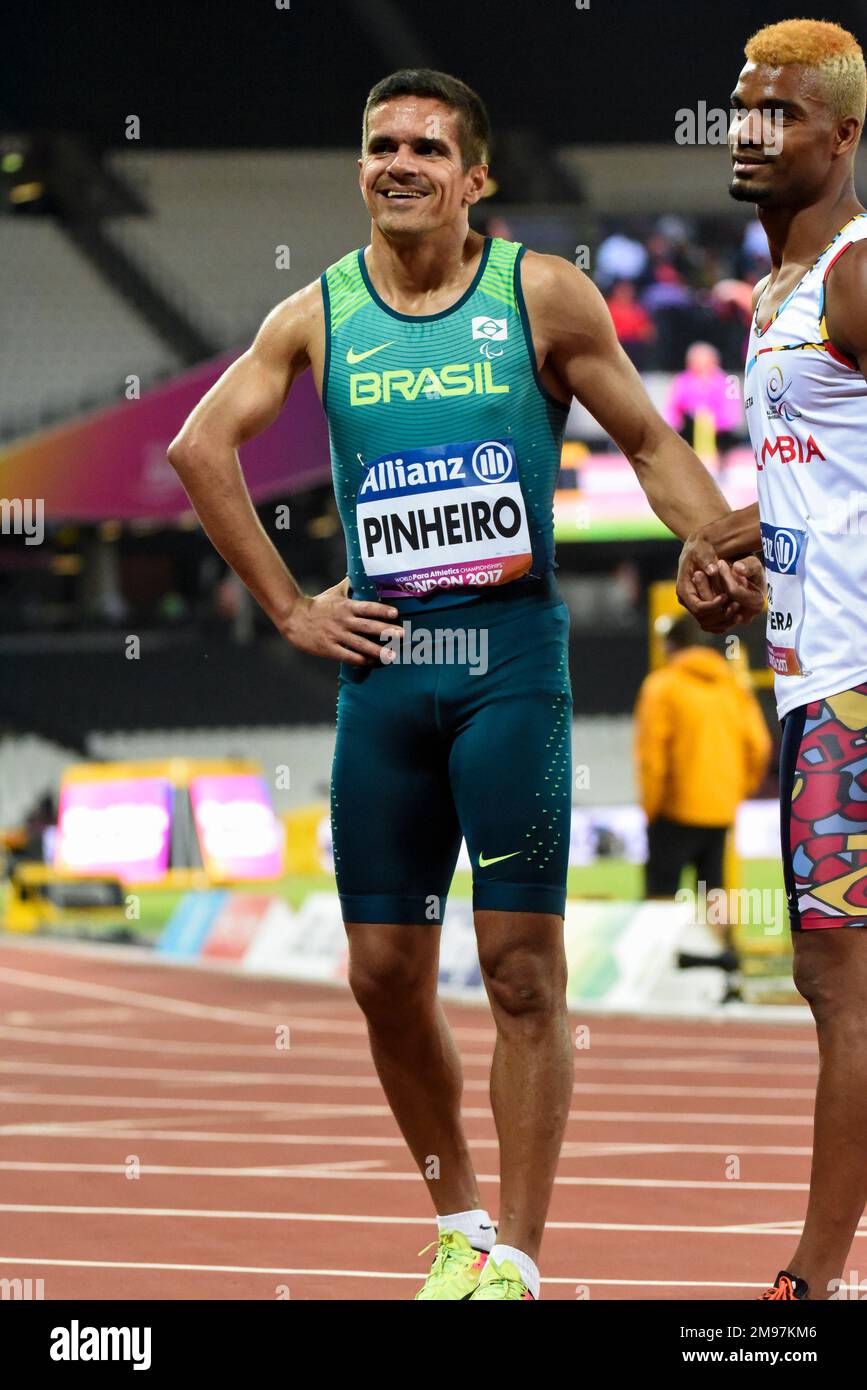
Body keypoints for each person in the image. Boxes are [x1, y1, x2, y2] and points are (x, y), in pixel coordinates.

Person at [168, 67, 733, 1301]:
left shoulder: (538, 292)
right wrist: (286, 605)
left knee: (525, 970)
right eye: (381, 145)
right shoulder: (316, 314)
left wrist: (717, 541)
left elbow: (648, 440)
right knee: (382, 976)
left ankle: (519, 1259)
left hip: (507, 667)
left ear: (475, 176)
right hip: (384, 673)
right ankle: (462, 1226)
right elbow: (199, 447)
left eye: (428, 146)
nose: (400, 163)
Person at [677, 19, 867, 1301]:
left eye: (779, 115)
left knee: (840, 983)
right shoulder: (776, 296)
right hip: (811, 673)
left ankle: (811, 1279)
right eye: (739, 111)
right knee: (832, 977)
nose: (748, 134)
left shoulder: (857, 277)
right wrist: (741, 555)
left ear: (844, 136)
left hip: (859, 686)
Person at [634, 614, 770, 929]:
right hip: (720, 807)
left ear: (671, 645)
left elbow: (651, 757)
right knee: (714, 890)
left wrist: (652, 808)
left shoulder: (662, 686)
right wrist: (738, 790)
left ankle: (659, 965)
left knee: (661, 894)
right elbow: (759, 745)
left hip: (673, 809)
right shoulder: (732, 686)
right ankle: (723, 964)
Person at [665, 341, 743, 460]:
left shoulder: (729, 382)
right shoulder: (681, 381)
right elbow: (672, 411)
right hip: (689, 432)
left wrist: (708, 419)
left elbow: (732, 415)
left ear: (714, 362)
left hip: (719, 434)